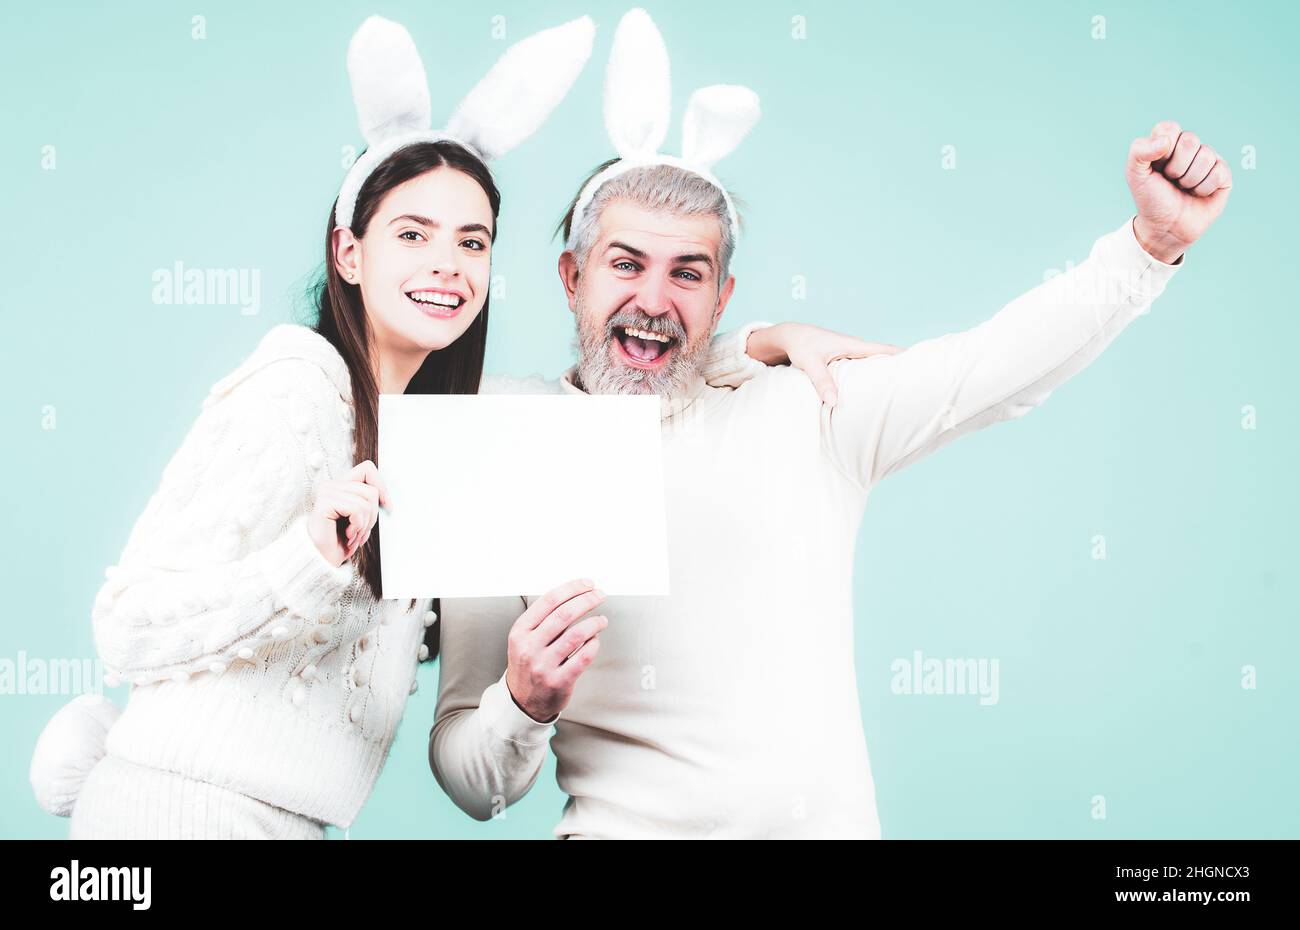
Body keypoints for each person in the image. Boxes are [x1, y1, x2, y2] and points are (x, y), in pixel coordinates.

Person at [27, 14, 894, 839]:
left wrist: (754, 344)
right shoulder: (297, 385)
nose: (446, 264)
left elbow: (648, 356)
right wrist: (307, 559)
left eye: (473, 242)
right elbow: (126, 624)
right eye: (414, 233)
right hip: (183, 815)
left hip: (294, 821)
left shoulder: (439, 436)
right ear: (349, 253)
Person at [428, 9, 1231, 839]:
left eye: (688, 273)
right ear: (571, 275)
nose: (654, 301)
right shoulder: (500, 442)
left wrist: (1148, 248)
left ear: (723, 297)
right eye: (625, 264)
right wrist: (522, 705)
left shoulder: (804, 405)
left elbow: (993, 369)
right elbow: (471, 780)